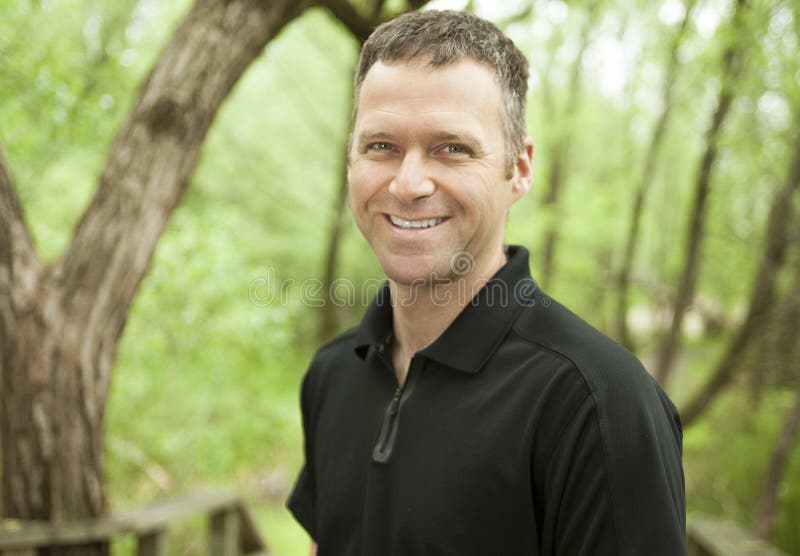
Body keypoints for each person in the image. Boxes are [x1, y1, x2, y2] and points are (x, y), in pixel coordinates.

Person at [287, 9, 685, 556]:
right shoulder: (332, 374)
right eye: (381, 146)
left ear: (518, 169)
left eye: (452, 147)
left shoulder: (598, 404)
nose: (408, 184)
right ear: (351, 159)